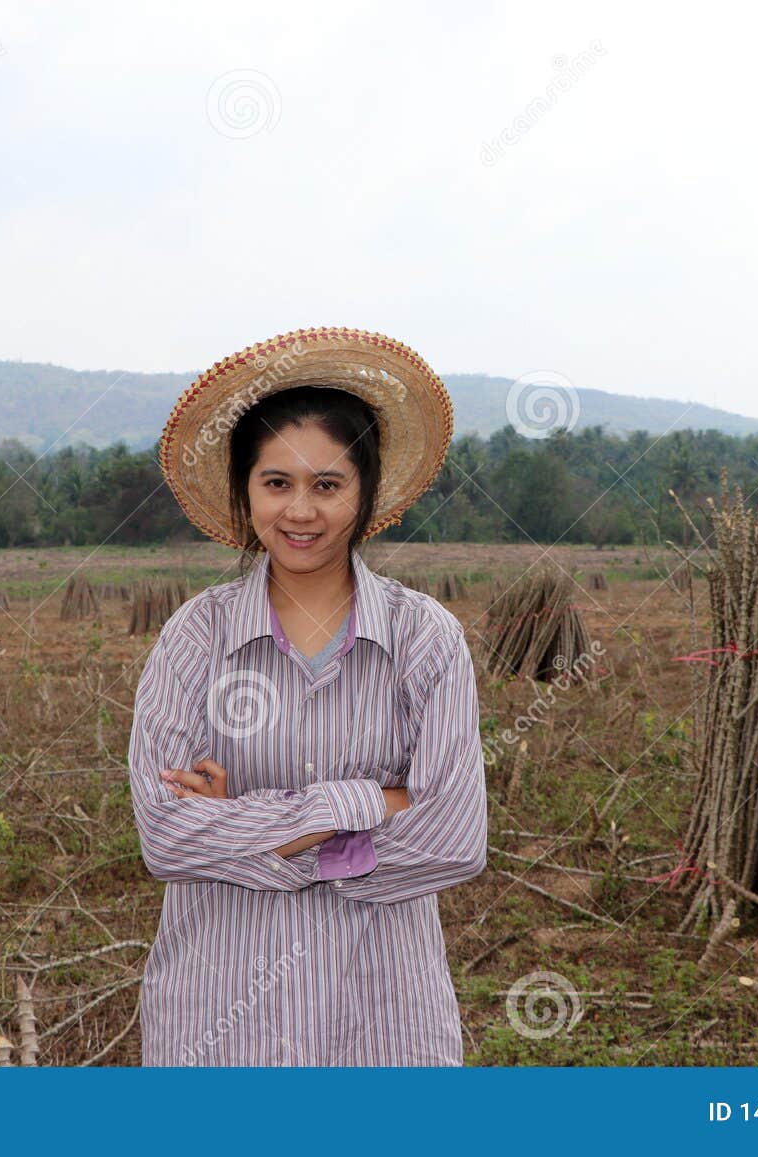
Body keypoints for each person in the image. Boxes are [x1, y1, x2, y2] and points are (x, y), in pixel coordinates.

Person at [129, 326, 488, 1065]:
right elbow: (165, 836)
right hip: (219, 1022)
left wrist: (243, 827)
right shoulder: (194, 638)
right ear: (245, 489)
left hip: (385, 1020)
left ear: (365, 491)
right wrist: (373, 802)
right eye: (276, 483)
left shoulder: (427, 638)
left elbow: (454, 840)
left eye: (327, 484)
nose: (301, 512)